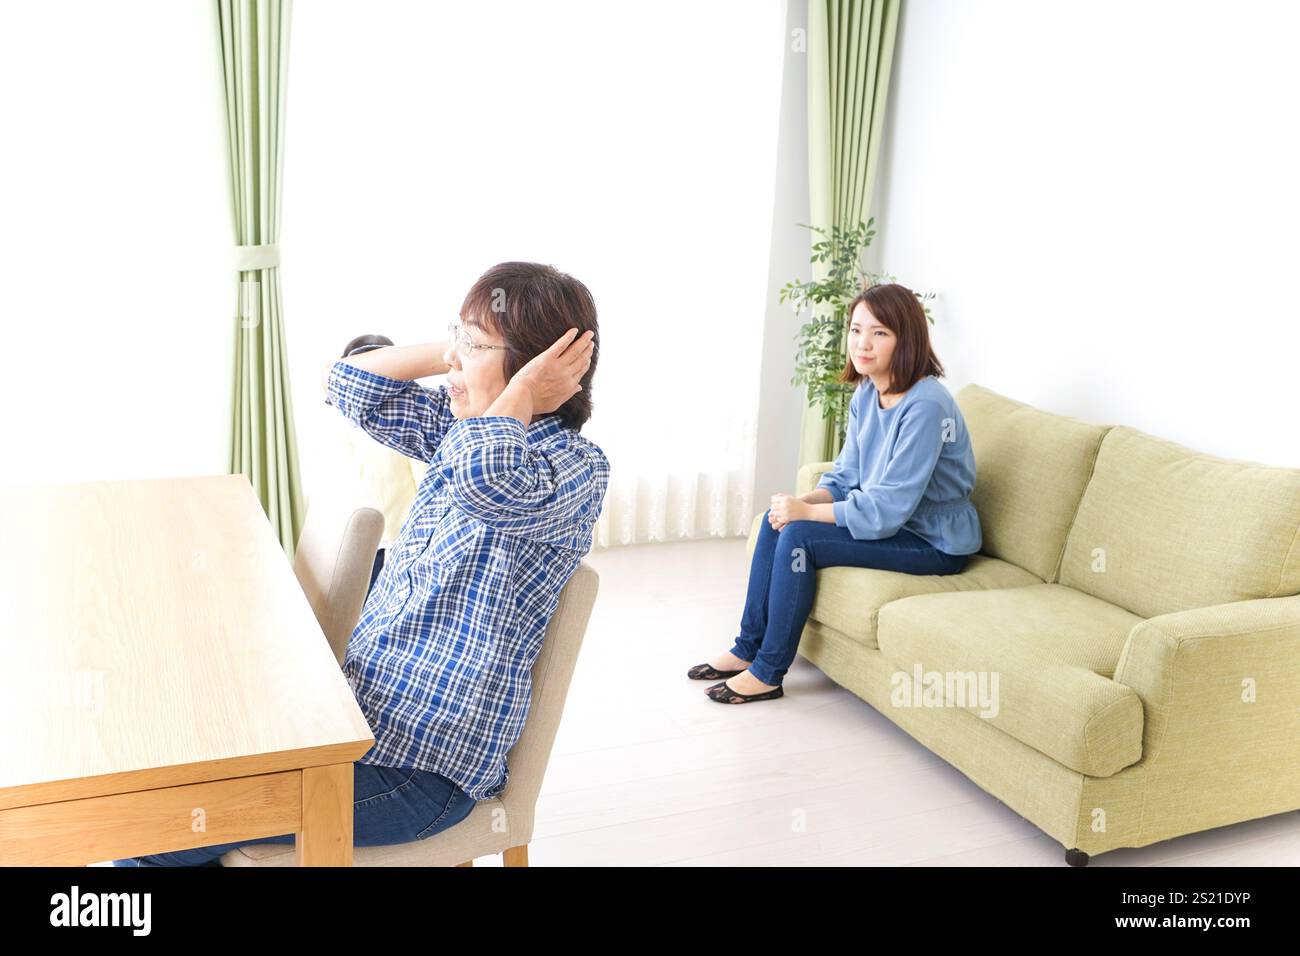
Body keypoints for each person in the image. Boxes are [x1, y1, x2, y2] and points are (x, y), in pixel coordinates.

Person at [114, 262, 609, 865]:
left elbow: (488, 478)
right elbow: (348, 381)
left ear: (540, 368)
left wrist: (522, 388)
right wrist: (462, 350)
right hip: (355, 727)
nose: (455, 359)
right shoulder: (463, 433)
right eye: (457, 335)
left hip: (420, 772)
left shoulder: (571, 469)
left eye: (475, 344)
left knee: (162, 829)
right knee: (164, 769)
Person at [687, 282, 981, 704]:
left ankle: (769, 673)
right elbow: (846, 476)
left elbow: (888, 508)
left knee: (799, 535)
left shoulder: (927, 405)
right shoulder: (867, 392)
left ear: (906, 339)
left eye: (879, 333)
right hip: (895, 524)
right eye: (856, 329)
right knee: (781, 524)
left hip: (933, 541)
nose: (863, 343)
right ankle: (746, 648)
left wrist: (803, 518)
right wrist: (801, 504)